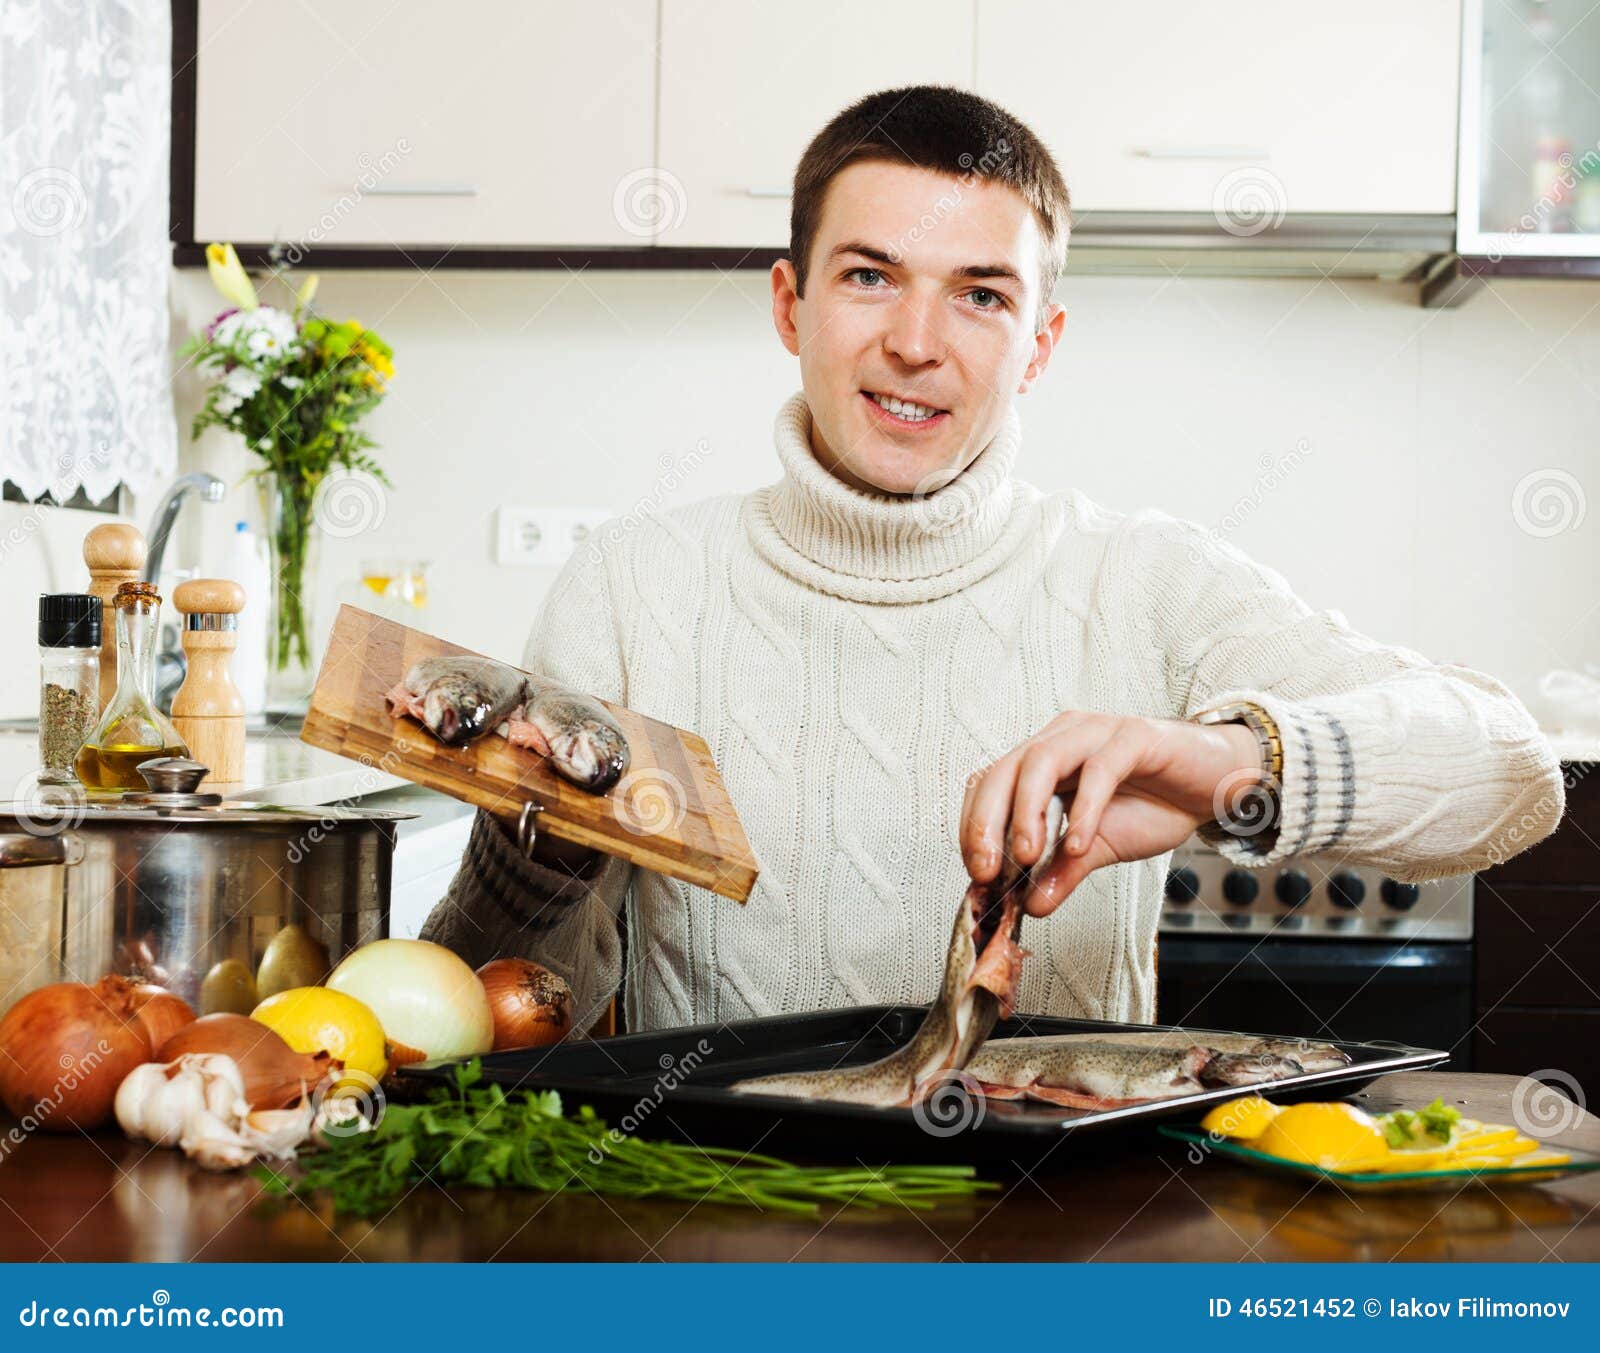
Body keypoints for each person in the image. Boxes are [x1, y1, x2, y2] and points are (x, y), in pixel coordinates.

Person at [420, 86, 1564, 1035]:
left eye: (979, 295)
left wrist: (1225, 757)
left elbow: (1513, 775)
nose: (915, 344)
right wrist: (530, 864)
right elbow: (500, 1017)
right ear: (790, 302)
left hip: (1055, 1251)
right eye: (869, 276)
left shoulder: (1143, 578)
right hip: (726, 1234)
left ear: (1040, 346)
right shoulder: (632, 585)